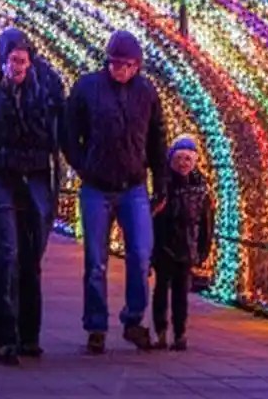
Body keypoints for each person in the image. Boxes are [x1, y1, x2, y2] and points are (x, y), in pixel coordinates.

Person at [63, 30, 169, 355]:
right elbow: (68, 132)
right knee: (96, 261)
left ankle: (133, 320)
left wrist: (160, 182)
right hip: (96, 187)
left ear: (137, 66)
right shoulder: (87, 88)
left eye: (127, 65)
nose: (120, 70)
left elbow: (157, 138)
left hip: (133, 186)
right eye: (115, 64)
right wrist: (83, 165)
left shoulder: (146, 92)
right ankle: (96, 325)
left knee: (139, 255)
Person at [0, 28, 65, 365]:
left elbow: (52, 132)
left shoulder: (47, 86)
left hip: (35, 176)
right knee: (6, 252)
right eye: (13, 56)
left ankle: (29, 335)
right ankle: (4, 337)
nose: (18, 62)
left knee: (31, 255)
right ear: (2, 58)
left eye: (24, 56)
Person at [152, 136, 214, 351]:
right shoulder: (163, 185)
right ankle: (160, 331)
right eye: (179, 158)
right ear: (171, 160)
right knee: (161, 289)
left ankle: (180, 333)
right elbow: (153, 218)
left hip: (186, 247)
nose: (183, 163)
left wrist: (202, 250)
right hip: (163, 246)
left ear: (194, 161)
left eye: (188, 159)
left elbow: (206, 223)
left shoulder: (201, 189)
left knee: (180, 293)